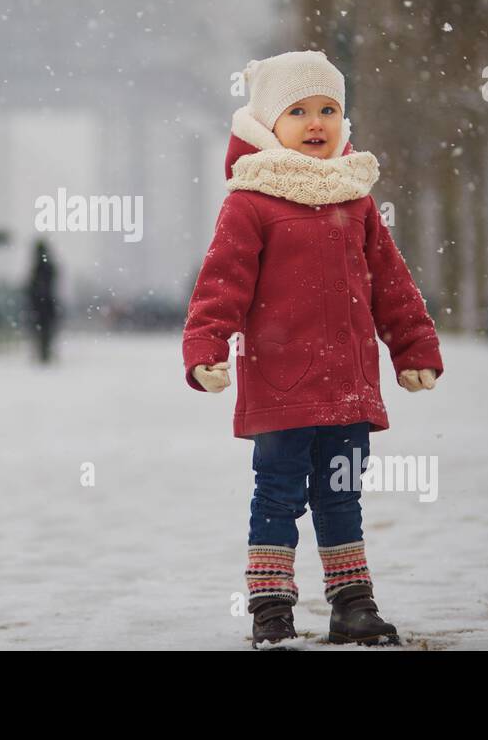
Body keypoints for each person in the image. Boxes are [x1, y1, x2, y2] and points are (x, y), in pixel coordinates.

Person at [181, 50, 444, 649]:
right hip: (281, 385)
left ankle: (353, 602)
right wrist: (206, 347)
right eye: (298, 111)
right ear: (268, 125)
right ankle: (271, 605)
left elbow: (390, 282)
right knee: (278, 494)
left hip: (348, 387)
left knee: (342, 493)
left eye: (328, 109)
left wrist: (414, 347)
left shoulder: (356, 200)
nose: (316, 121)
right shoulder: (250, 203)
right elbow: (221, 284)